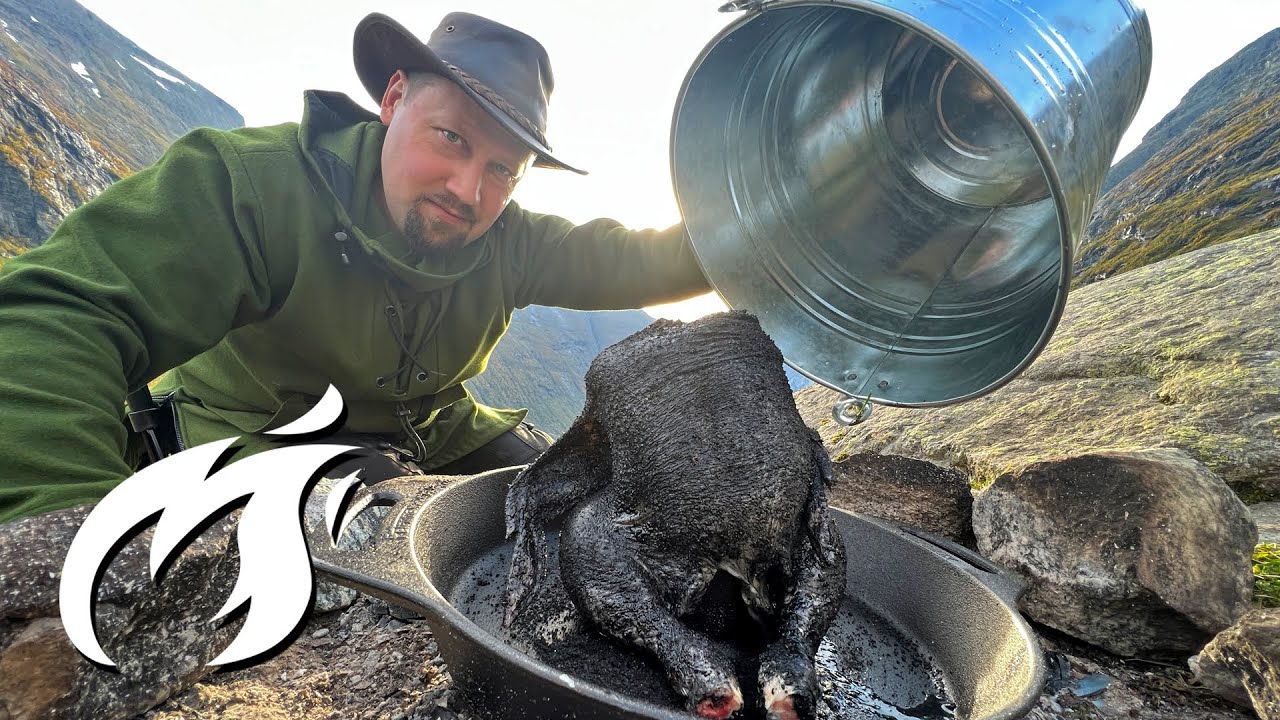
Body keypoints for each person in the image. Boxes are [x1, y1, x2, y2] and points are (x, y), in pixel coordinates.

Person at [0, 11, 711, 524]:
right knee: (388, 536)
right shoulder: (250, 187)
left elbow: (642, 259)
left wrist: (772, 225)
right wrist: (65, 524)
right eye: (450, 138)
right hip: (268, 431)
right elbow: (65, 318)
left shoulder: (511, 242)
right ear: (394, 97)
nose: (469, 191)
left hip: (438, 426)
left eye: (503, 169)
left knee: (575, 502)